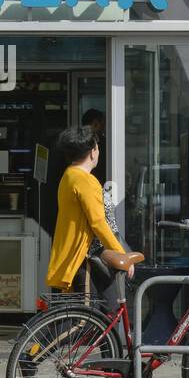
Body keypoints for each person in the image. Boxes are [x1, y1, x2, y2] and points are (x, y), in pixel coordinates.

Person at [46, 126, 139, 307]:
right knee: (86, 321)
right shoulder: (85, 180)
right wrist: (122, 255)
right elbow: (98, 222)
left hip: (73, 255)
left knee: (91, 319)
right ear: (92, 151)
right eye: (97, 147)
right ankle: (33, 337)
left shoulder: (68, 175)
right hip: (84, 258)